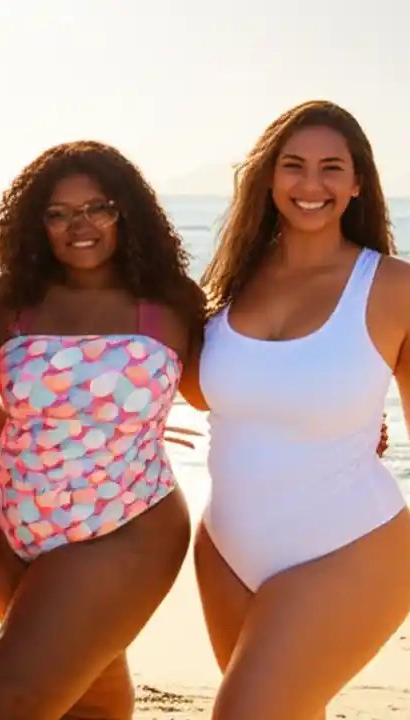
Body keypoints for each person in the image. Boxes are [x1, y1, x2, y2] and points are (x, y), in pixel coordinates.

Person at [0, 140, 206, 719]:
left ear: (127, 211)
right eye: (59, 213)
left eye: (98, 207)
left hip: (126, 521)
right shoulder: (8, 300)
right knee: (87, 699)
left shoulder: (173, 302)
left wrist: (348, 423)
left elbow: (232, 391)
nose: (81, 225)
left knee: (0, 704)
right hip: (9, 524)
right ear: (36, 223)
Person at [187, 100, 410, 720]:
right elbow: (214, 396)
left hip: (350, 546)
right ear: (267, 176)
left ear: (358, 181)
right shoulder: (230, 283)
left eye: (331, 168)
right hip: (226, 550)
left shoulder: (394, 286)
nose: (311, 185)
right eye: (294, 166)